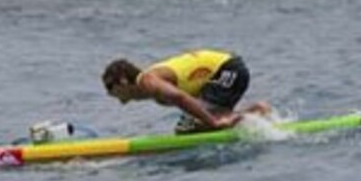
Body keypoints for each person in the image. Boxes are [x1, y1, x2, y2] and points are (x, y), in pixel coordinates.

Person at [102, 49, 270, 133]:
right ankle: (248, 115)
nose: (119, 101)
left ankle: (256, 110)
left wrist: (212, 122)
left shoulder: (148, 81)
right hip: (223, 73)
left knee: (192, 125)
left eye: (113, 91)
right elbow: (191, 97)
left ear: (123, 82)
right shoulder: (154, 88)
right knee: (188, 126)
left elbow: (180, 97)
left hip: (228, 69)